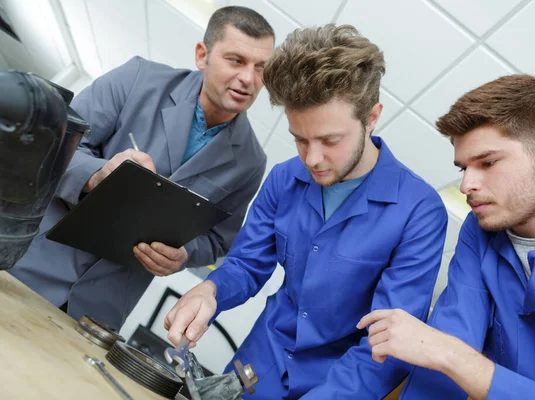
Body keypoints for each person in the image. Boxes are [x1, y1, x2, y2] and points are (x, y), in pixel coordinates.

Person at [164, 24, 448, 399]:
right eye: (300, 139)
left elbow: (387, 343)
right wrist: (210, 290)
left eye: (330, 141)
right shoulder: (285, 179)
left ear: (372, 117)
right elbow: (247, 264)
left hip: (339, 383)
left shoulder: (420, 212)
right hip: (256, 366)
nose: (312, 159)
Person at [9, 6, 275, 330]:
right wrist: (98, 174)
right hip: (33, 265)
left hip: (100, 309)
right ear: (202, 55)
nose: (248, 78)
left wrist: (184, 255)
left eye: (260, 68)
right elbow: (54, 142)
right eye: (236, 60)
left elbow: (218, 241)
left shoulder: (251, 162)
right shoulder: (138, 78)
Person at [358, 74, 535, 399]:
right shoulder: (481, 228)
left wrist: (452, 356)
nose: (466, 185)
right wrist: (446, 353)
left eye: (487, 162)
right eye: (463, 168)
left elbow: (447, 352)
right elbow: (453, 332)